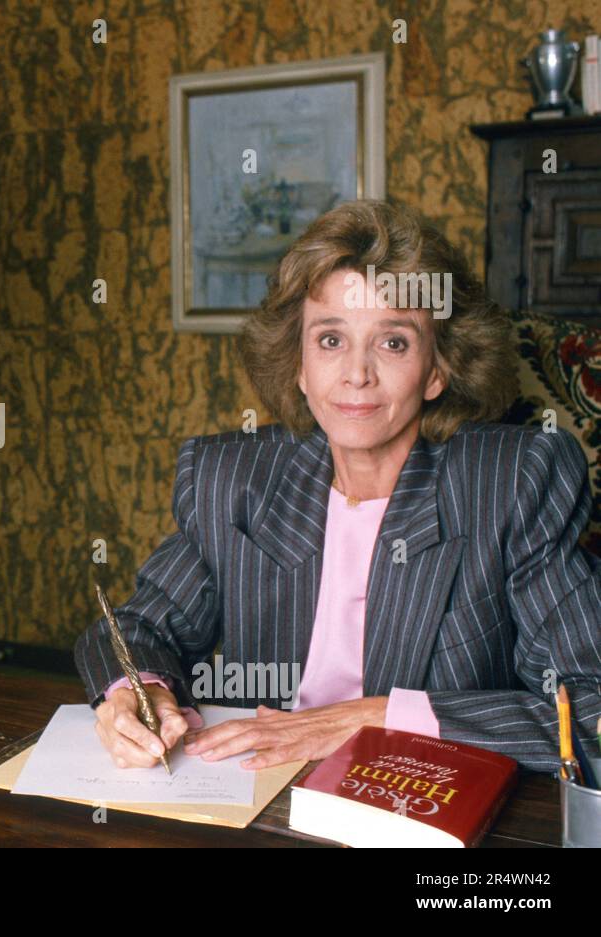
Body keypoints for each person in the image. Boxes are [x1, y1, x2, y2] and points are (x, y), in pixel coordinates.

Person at [74, 199, 601, 774]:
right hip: (260, 797)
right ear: (299, 363)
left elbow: (590, 711)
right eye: (330, 340)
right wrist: (137, 690)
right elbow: (139, 627)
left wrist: (373, 719)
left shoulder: (513, 483)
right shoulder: (236, 482)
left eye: (393, 342)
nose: (356, 372)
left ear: (437, 370)